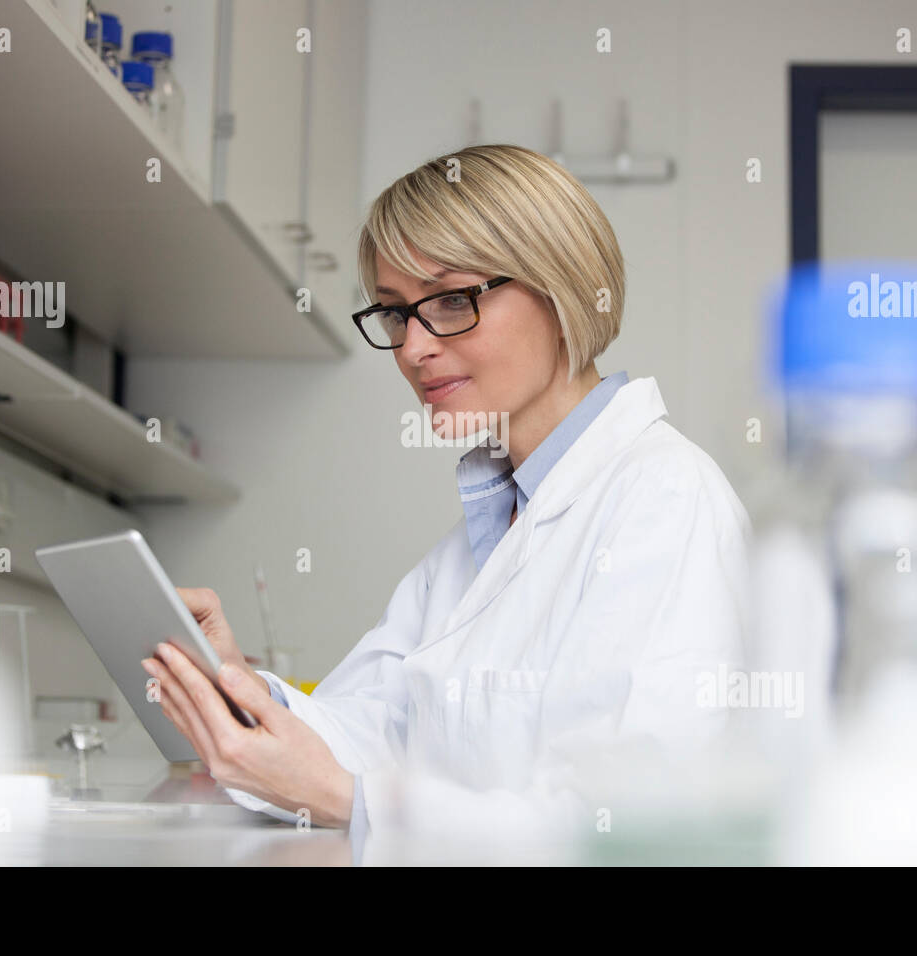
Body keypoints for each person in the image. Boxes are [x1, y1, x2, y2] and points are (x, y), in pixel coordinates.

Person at [141, 144, 751, 862]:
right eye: (397, 315)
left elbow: (631, 831)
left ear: (562, 291)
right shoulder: (479, 541)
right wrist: (234, 691)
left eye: (453, 301)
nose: (414, 348)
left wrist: (349, 801)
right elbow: (369, 729)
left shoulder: (666, 499)